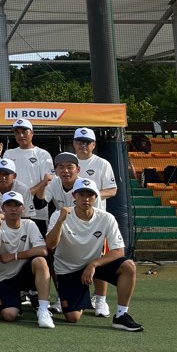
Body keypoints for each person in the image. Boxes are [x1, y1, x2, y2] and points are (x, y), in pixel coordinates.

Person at [46, 177, 143, 331]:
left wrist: (93, 264)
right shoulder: (59, 214)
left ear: (96, 197)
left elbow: (119, 251)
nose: (86, 199)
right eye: (81, 195)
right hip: (67, 270)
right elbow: (50, 245)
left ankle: (121, 315)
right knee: (73, 317)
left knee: (129, 266)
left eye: (90, 195)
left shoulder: (106, 218)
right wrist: (60, 221)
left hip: (93, 267)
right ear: (74, 197)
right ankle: (82, 296)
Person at [0, 191, 54, 328]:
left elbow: (43, 250)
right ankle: (17, 301)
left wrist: (14, 256)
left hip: (25, 273)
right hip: (5, 278)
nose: (13, 209)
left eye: (17, 205)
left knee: (40, 261)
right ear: (3, 208)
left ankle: (43, 309)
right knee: (9, 315)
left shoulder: (29, 224)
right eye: (9, 205)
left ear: (23, 208)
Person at [71, 127, 118, 316]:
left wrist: (91, 197)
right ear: (74, 143)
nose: (83, 145)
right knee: (68, 259)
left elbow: (112, 190)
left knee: (99, 260)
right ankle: (66, 296)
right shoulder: (68, 163)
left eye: (87, 142)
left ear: (93, 145)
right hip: (73, 220)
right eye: (79, 142)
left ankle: (100, 300)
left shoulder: (102, 163)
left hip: (97, 220)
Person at [3, 119, 54, 235]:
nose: (21, 135)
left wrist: (26, 194)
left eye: (24, 131)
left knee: (38, 246)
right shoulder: (8, 154)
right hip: (13, 209)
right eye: (17, 132)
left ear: (32, 133)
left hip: (37, 212)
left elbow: (48, 180)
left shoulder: (42, 154)